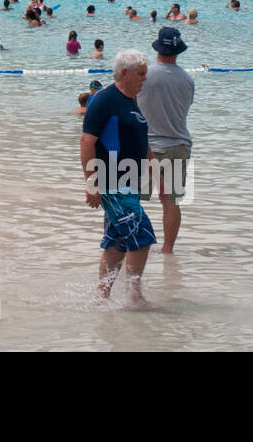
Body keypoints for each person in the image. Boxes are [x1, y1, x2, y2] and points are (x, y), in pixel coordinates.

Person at [82, 50, 155, 306]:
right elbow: (87, 141)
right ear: (124, 73)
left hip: (130, 184)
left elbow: (139, 139)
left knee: (118, 243)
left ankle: (101, 297)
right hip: (112, 182)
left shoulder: (131, 99)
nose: (145, 79)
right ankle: (134, 297)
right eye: (141, 74)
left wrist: (156, 170)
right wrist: (92, 185)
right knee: (142, 234)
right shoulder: (105, 100)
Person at [140, 28, 194, 255]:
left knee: (133, 199)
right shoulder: (187, 80)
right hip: (178, 143)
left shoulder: (144, 75)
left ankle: (133, 244)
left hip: (147, 144)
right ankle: (167, 249)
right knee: (171, 201)